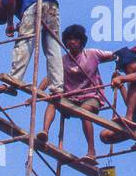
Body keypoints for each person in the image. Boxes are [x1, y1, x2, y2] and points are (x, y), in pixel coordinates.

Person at [36, 24, 118, 162]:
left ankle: (91, 152)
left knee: (84, 111)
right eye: (69, 39)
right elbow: (50, 77)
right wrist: (37, 93)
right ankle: (45, 132)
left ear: (81, 42)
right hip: (71, 99)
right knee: (53, 98)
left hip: (91, 97)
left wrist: (130, 52)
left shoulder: (92, 54)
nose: (71, 42)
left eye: (75, 39)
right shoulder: (63, 61)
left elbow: (115, 55)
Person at [0, 0, 64, 95]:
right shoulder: (19, 5)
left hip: (35, 3)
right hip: (51, 3)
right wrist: (19, 25)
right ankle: (57, 87)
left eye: (0, 12)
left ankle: (12, 81)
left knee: (24, 42)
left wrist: (9, 23)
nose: (6, 13)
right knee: (53, 48)